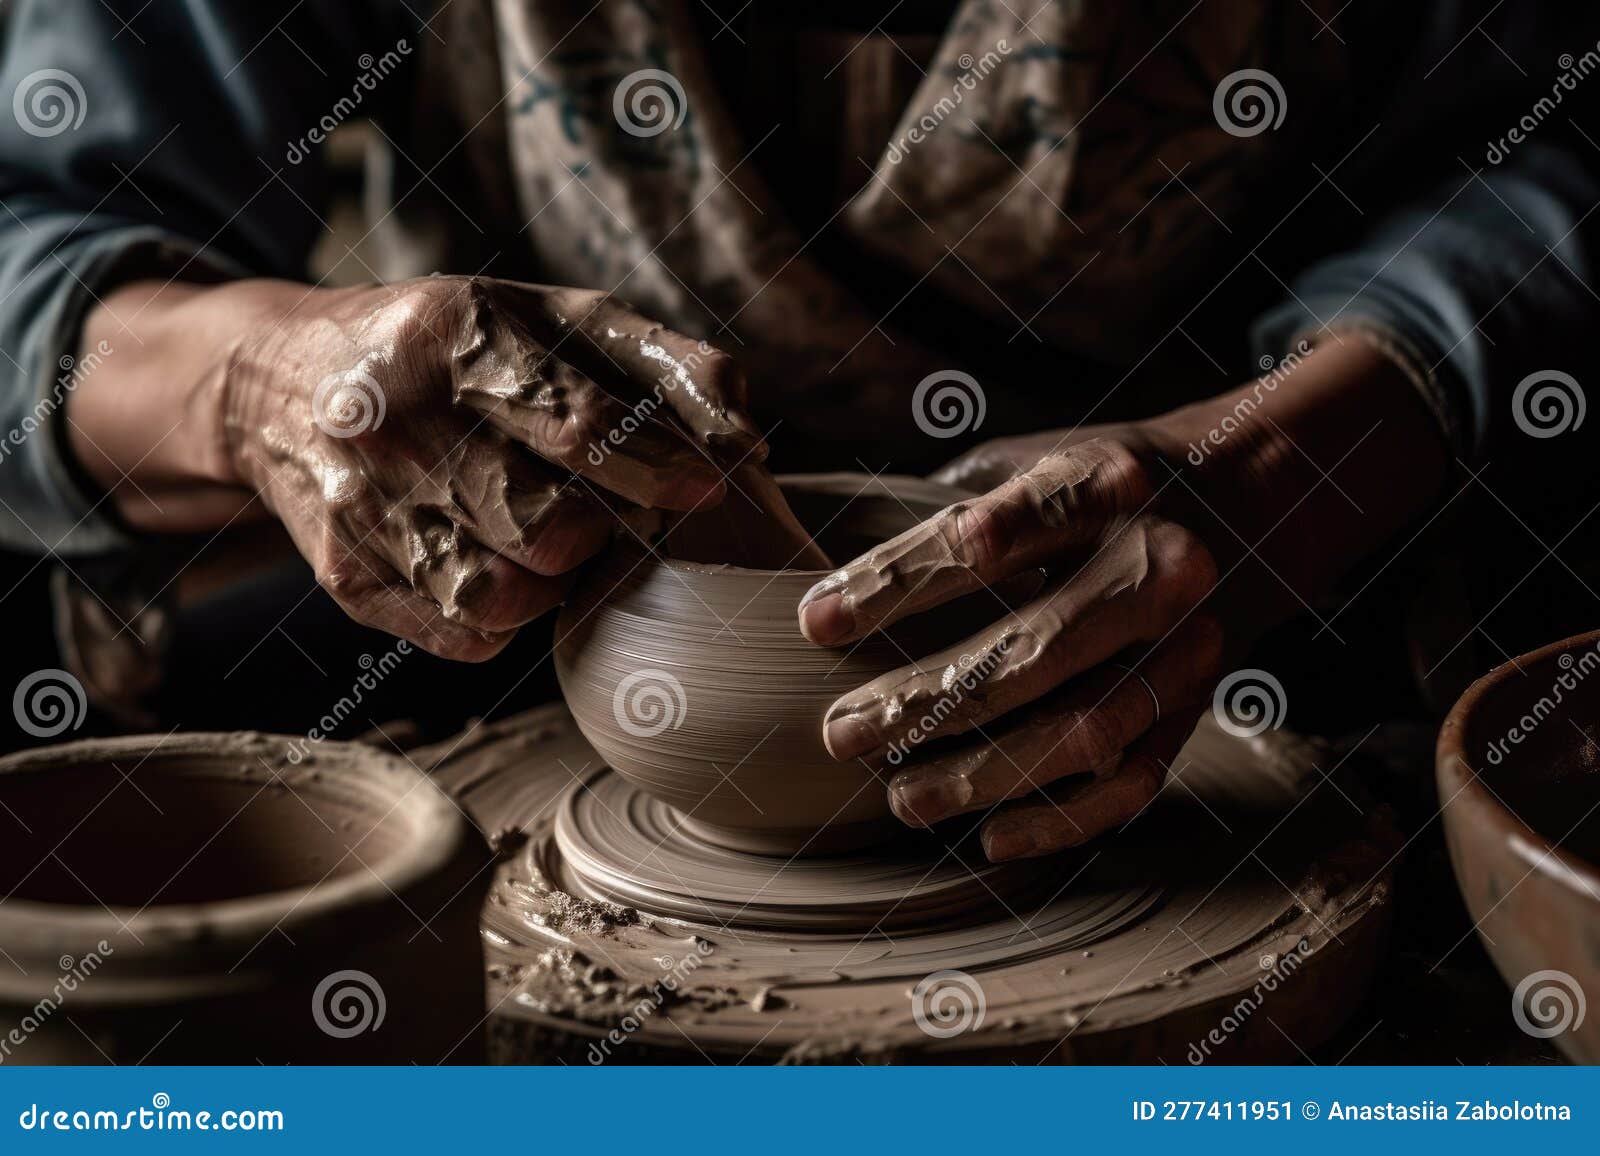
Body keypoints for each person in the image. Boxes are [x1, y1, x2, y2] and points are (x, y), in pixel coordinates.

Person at [1, 1, 1596, 858]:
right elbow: (39, 241)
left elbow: (1551, 143)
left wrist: (1268, 476)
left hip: (1205, 640)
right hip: (528, 604)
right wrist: (259, 384)